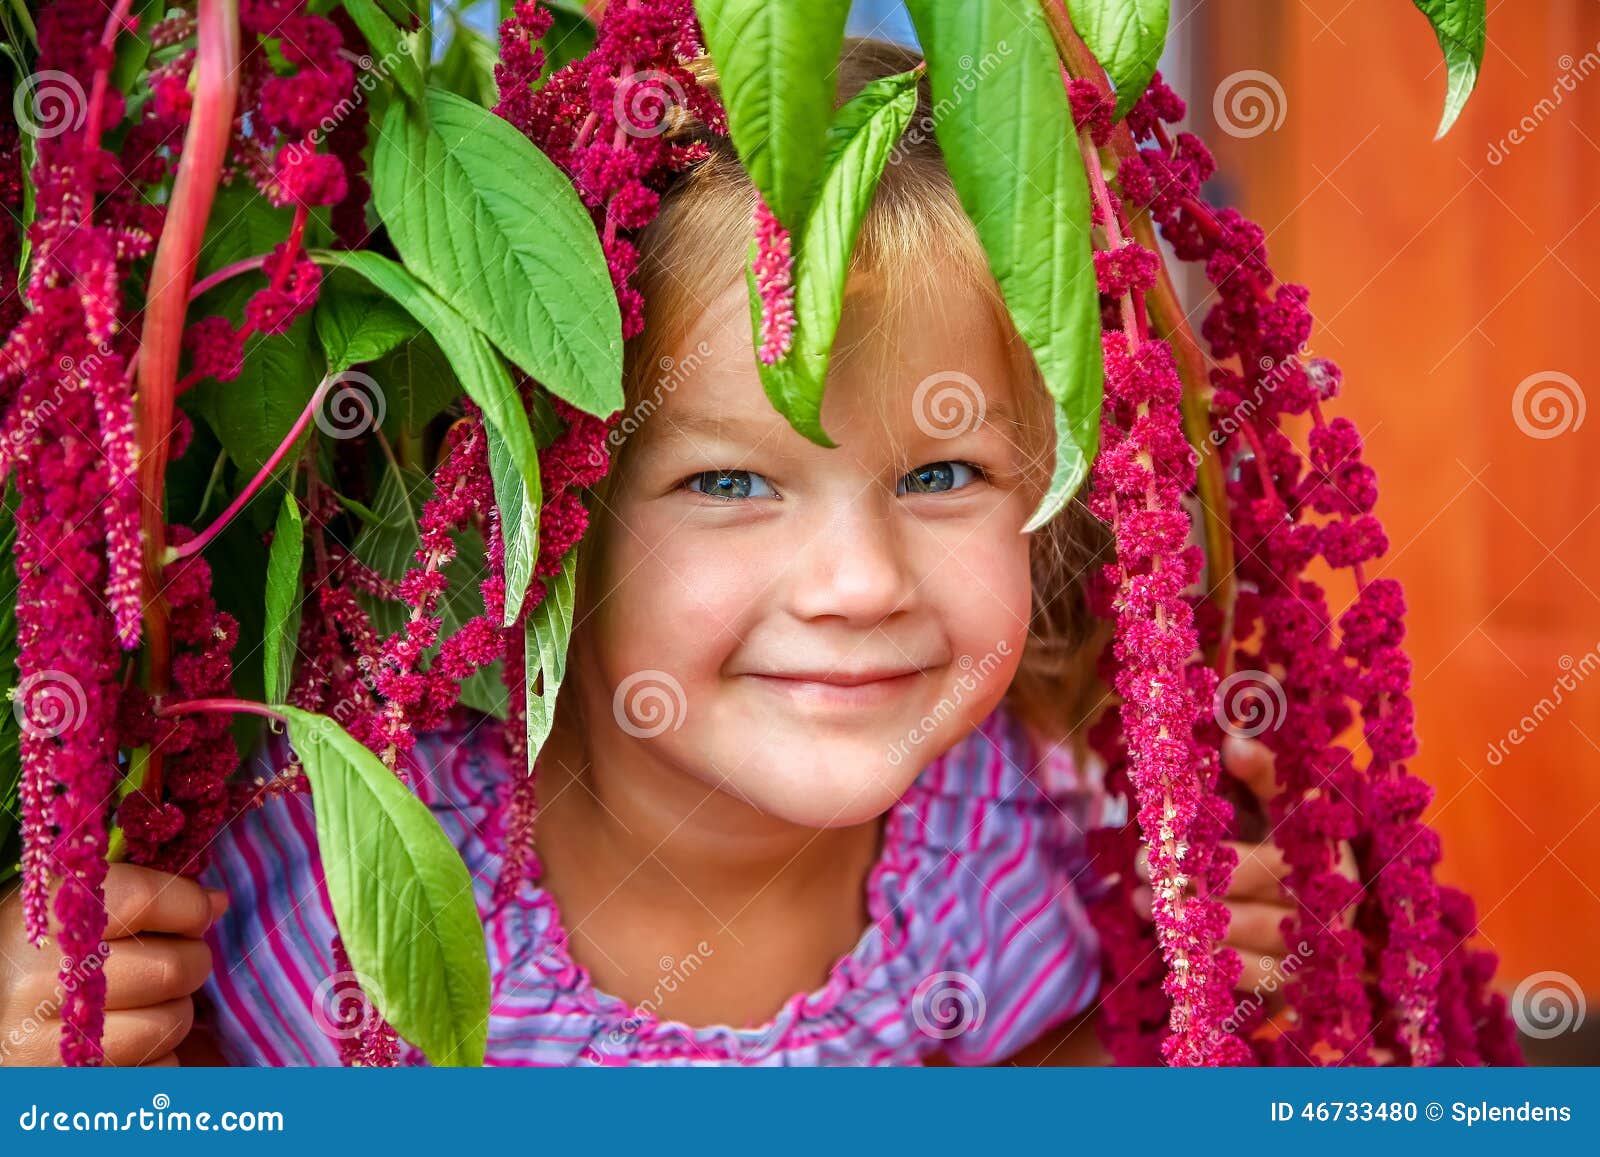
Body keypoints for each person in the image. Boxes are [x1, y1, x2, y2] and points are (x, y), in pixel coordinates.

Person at [0, 37, 1349, 1067]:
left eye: (943, 471)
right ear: (536, 521)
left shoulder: (1038, 855)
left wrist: (1167, 1016)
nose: (860, 583)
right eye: (725, 480)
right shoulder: (315, 888)